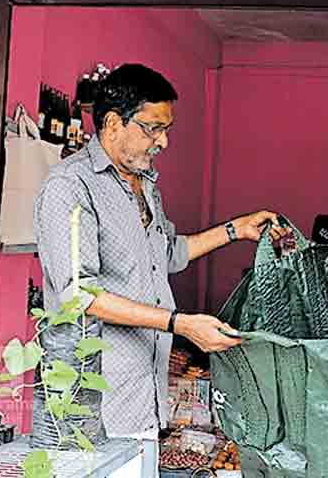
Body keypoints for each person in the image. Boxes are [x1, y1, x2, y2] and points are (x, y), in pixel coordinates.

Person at [33, 64, 282, 477]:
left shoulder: (144, 184)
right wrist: (179, 324)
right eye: (153, 128)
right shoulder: (70, 187)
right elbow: (78, 295)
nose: (163, 141)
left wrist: (236, 230)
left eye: (166, 129)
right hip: (91, 397)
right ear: (113, 123)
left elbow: (167, 254)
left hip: (142, 391)